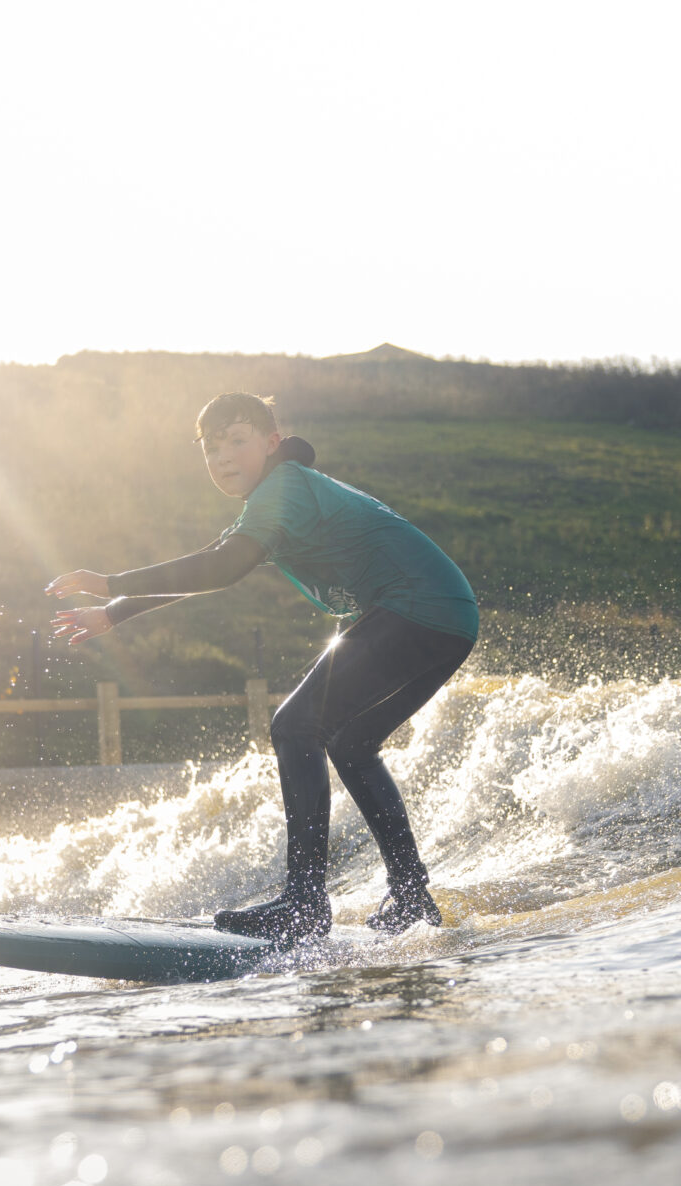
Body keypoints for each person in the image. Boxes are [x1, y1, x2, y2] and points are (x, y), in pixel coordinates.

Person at [46, 392, 477, 944]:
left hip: (416, 609)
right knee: (350, 745)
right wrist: (115, 611)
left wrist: (112, 585)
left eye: (237, 440)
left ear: (271, 442)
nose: (222, 457)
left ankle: (303, 903)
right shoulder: (278, 495)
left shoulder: (283, 489)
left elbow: (222, 568)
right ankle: (412, 898)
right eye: (210, 447)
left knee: (297, 725)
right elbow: (213, 559)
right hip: (449, 618)